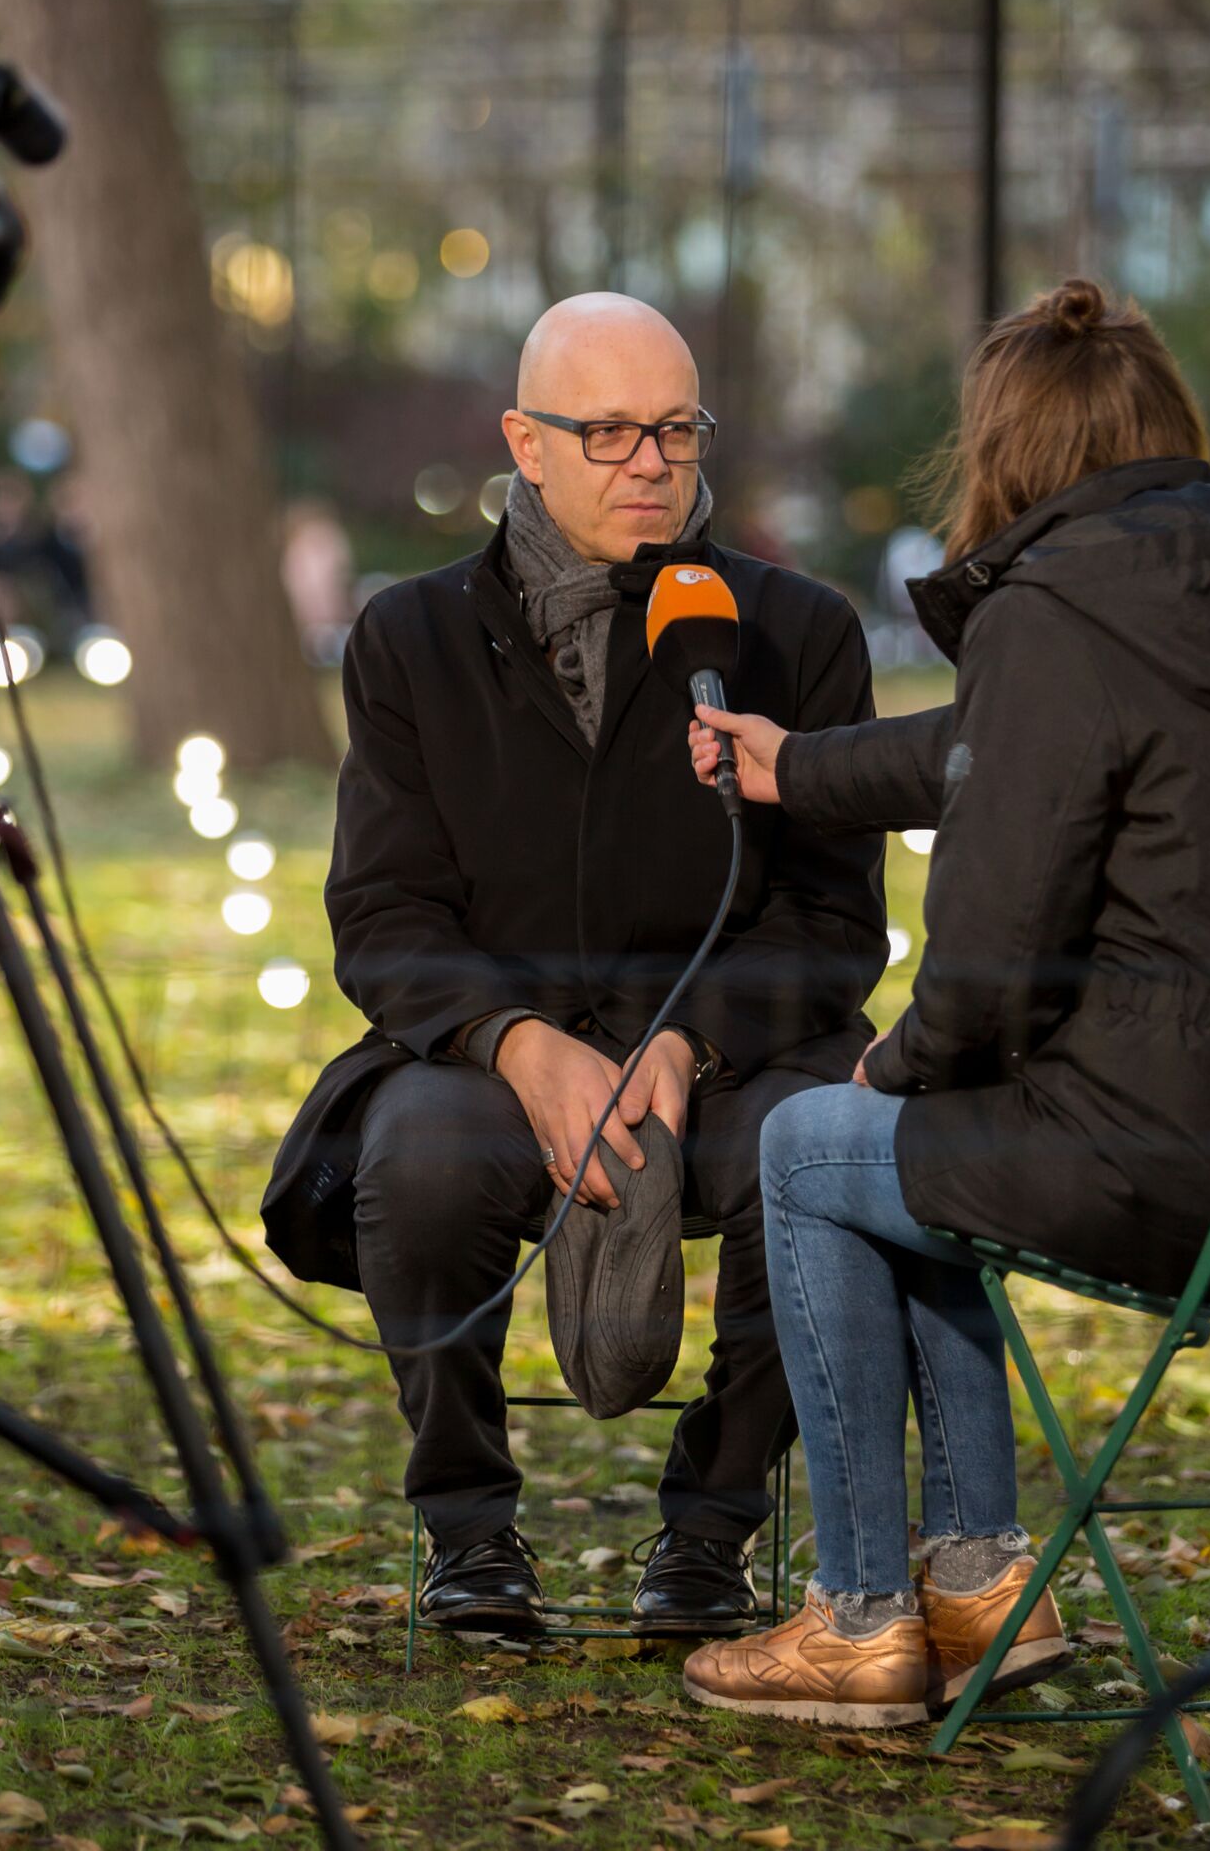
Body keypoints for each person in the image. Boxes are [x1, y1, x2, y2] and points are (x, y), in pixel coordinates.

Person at [263, 292, 888, 1637]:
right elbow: (381, 913)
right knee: (419, 1161)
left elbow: (835, 923)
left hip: (728, 1053)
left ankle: (709, 1533)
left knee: (825, 1154)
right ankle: (468, 1531)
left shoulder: (796, 632)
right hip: (496, 1050)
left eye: (674, 428)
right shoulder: (409, 640)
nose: (650, 462)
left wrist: (687, 1039)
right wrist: (515, 1043)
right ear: (522, 443)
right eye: (606, 433)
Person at [683, 278, 1210, 1724]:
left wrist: (905, 1060)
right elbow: (1008, 750)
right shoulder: (1183, 597)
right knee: (917, 1159)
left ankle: (861, 1617)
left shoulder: (1056, 616)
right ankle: (981, 1576)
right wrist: (795, 767)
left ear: (1005, 448)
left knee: (812, 1146)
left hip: (1151, 1158)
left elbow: (984, 957)